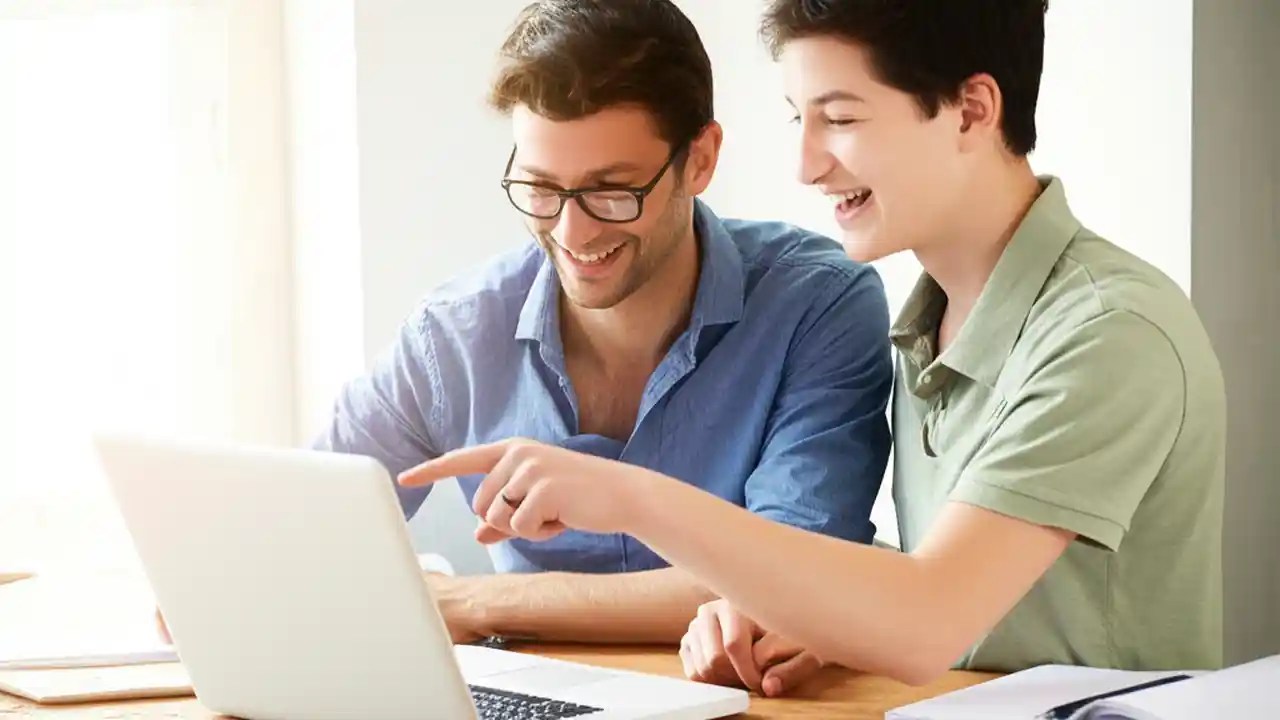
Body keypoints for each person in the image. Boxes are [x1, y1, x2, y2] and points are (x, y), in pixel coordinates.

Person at [399, 0, 1227, 699]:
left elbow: (926, 616)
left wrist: (623, 496)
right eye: (802, 119)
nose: (805, 164)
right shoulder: (934, 322)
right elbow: (976, 587)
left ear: (974, 109)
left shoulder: (1107, 332)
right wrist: (813, 619)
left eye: (840, 118)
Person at [313, 0, 893, 646]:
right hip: (531, 698)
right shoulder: (455, 334)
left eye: (612, 191)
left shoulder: (817, 305)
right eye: (540, 188)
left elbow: (802, 579)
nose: (572, 232)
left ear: (700, 160)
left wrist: (481, 602)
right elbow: (307, 529)